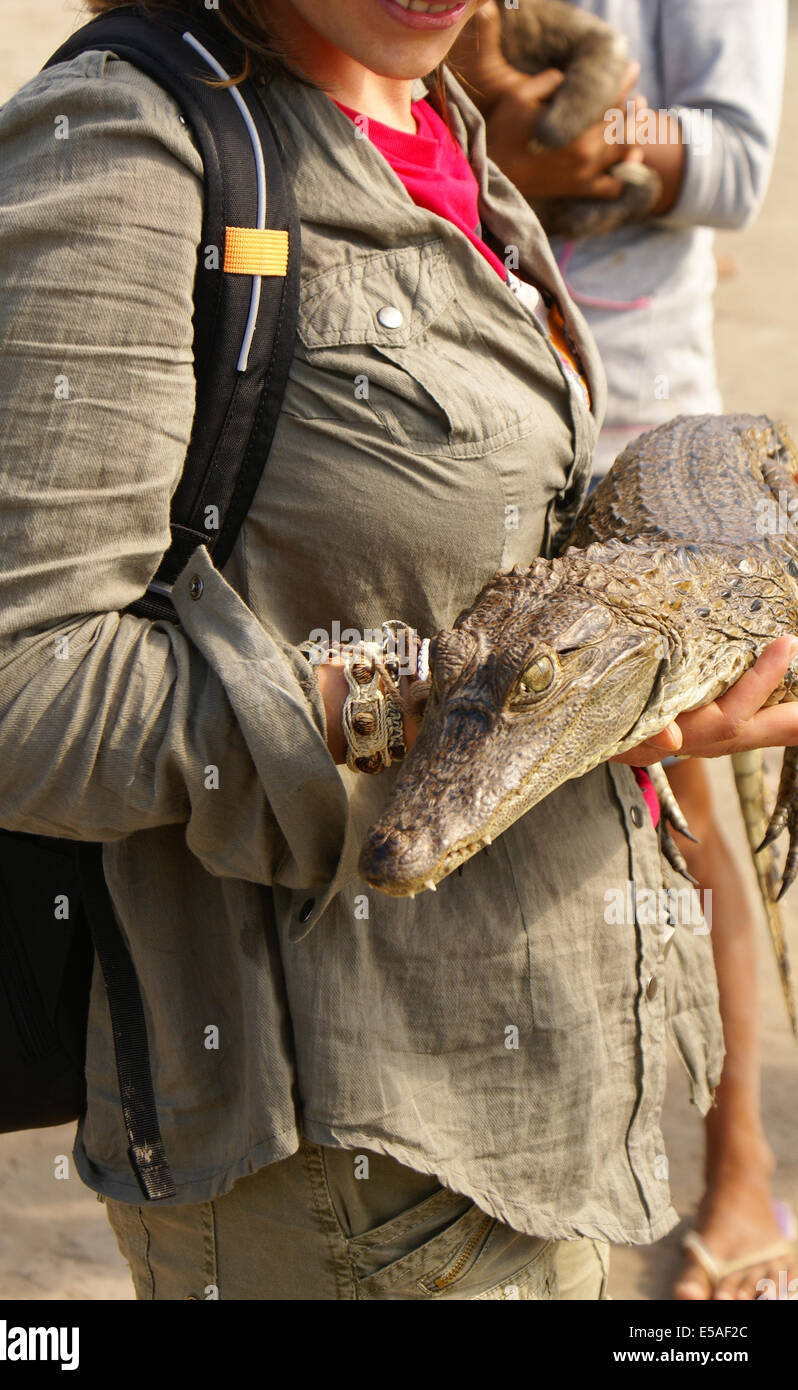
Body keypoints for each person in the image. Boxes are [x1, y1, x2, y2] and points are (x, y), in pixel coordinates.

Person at [0, 0, 796, 1301]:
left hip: (523, 1120)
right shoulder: (113, 159)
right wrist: (430, 711)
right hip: (346, 1174)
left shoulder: (428, 115)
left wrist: (648, 669)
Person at [452, 0, 796, 1301]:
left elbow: (734, 163)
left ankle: (736, 1162)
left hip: (639, 420)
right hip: (467, 405)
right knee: (492, 732)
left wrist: (562, 160)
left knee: (684, 781)